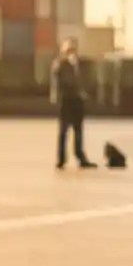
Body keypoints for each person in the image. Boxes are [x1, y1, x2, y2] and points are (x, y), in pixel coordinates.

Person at [51, 38, 97, 169]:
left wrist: (84, 93)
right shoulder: (60, 64)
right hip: (66, 101)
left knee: (78, 130)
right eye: (69, 49)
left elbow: (85, 79)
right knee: (63, 131)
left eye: (73, 49)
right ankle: (61, 159)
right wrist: (78, 91)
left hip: (77, 101)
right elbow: (63, 82)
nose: (72, 52)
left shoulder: (78, 64)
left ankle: (80, 157)